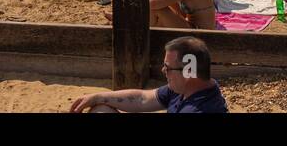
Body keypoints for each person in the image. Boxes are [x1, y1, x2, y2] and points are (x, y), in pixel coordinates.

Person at [70, 37, 227, 113]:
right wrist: (98, 97)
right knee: (102, 108)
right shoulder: (187, 88)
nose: (163, 71)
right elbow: (142, 99)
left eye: (168, 67)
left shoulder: (200, 109)